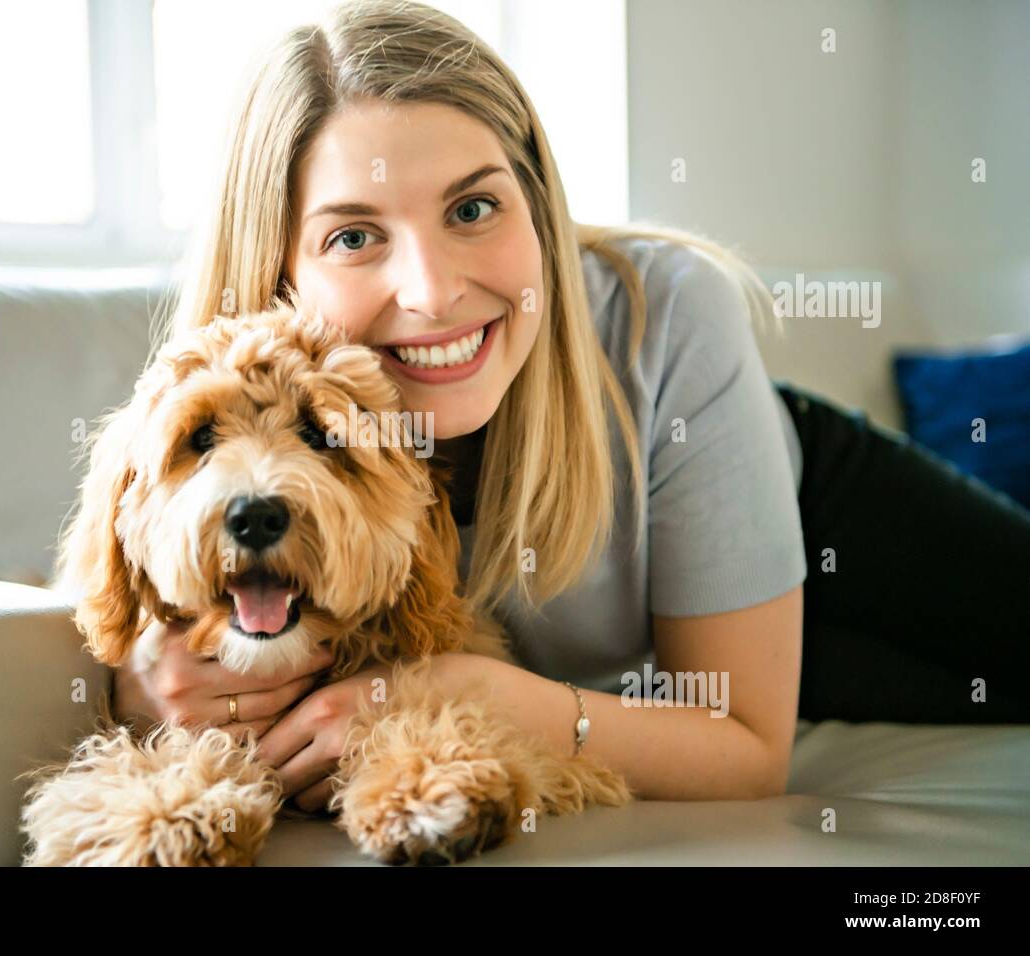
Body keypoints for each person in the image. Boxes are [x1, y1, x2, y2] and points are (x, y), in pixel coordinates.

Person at [111, 0, 1030, 811]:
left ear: (540, 208)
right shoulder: (217, 417)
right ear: (277, 266)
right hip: (659, 671)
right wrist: (137, 680)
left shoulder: (669, 313)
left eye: (473, 209)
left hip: (791, 514)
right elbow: (107, 592)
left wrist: (465, 693)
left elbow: (750, 750)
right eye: (354, 235)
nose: (431, 293)